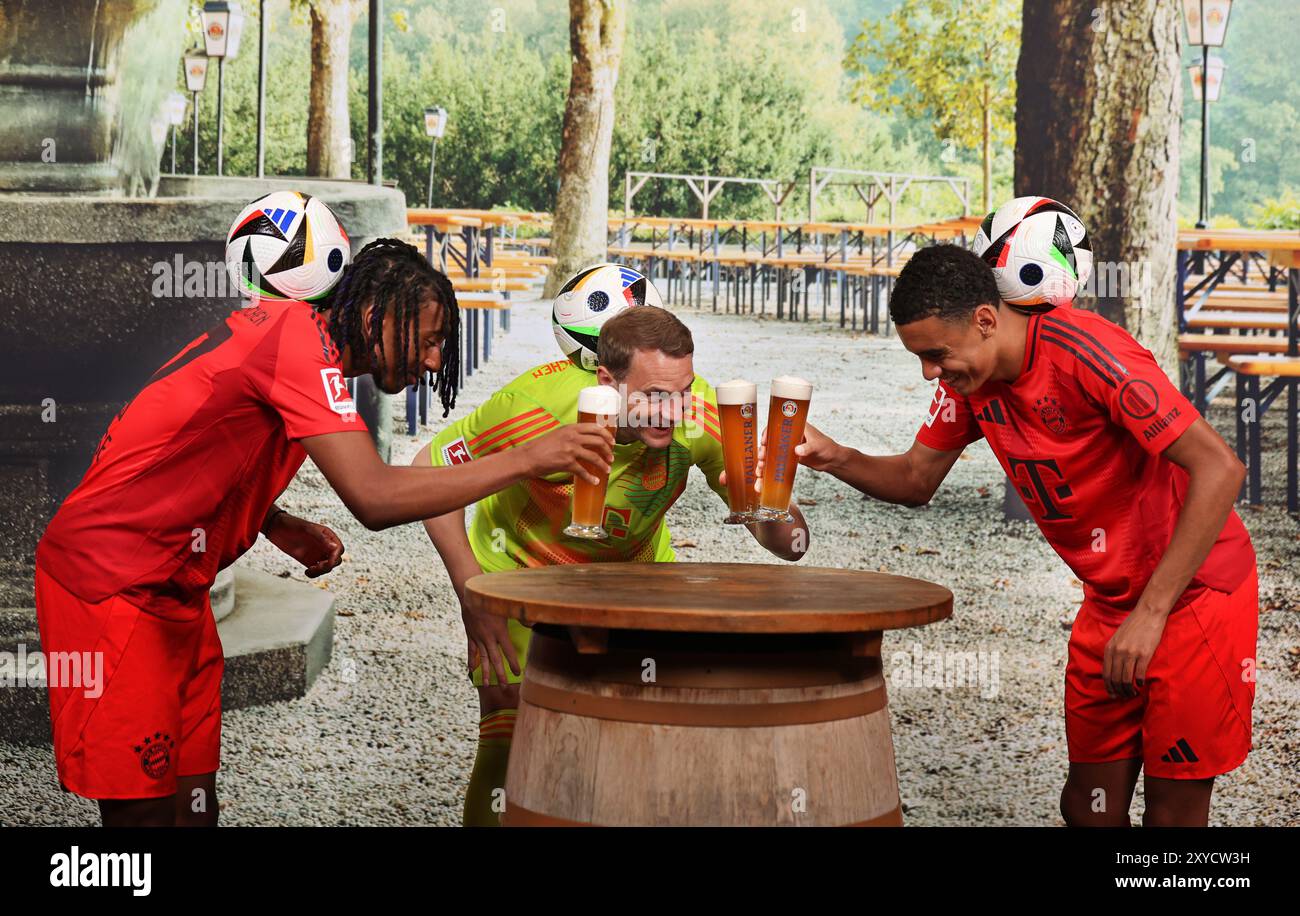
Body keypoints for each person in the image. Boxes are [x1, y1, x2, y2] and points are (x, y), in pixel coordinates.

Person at [34, 238, 614, 826]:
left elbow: (191, 436)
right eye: (431, 339)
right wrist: (526, 459)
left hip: (177, 592)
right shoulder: (297, 341)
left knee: (194, 799)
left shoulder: (301, 338)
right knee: (143, 818)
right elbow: (375, 497)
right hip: (112, 584)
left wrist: (274, 521)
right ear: (373, 317)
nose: (436, 361)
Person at [776, 244, 1257, 827]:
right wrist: (837, 457)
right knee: (1087, 806)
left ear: (984, 319)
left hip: (1193, 595)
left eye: (935, 355)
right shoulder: (970, 384)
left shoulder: (1090, 351)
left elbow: (1220, 468)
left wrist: (1152, 612)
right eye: (920, 358)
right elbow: (914, 479)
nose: (930, 373)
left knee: (1172, 814)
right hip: (1111, 601)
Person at [415, 303, 810, 826]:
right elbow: (429, 469)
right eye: (653, 396)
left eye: (683, 391)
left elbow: (791, 546)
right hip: (520, 574)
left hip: (638, 578)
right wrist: (473, 595)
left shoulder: (706, 415)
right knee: (510, 727)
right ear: (607, 380)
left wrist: (767, 500)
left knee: (648, 727)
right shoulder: (532, 405)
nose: (672, 412)